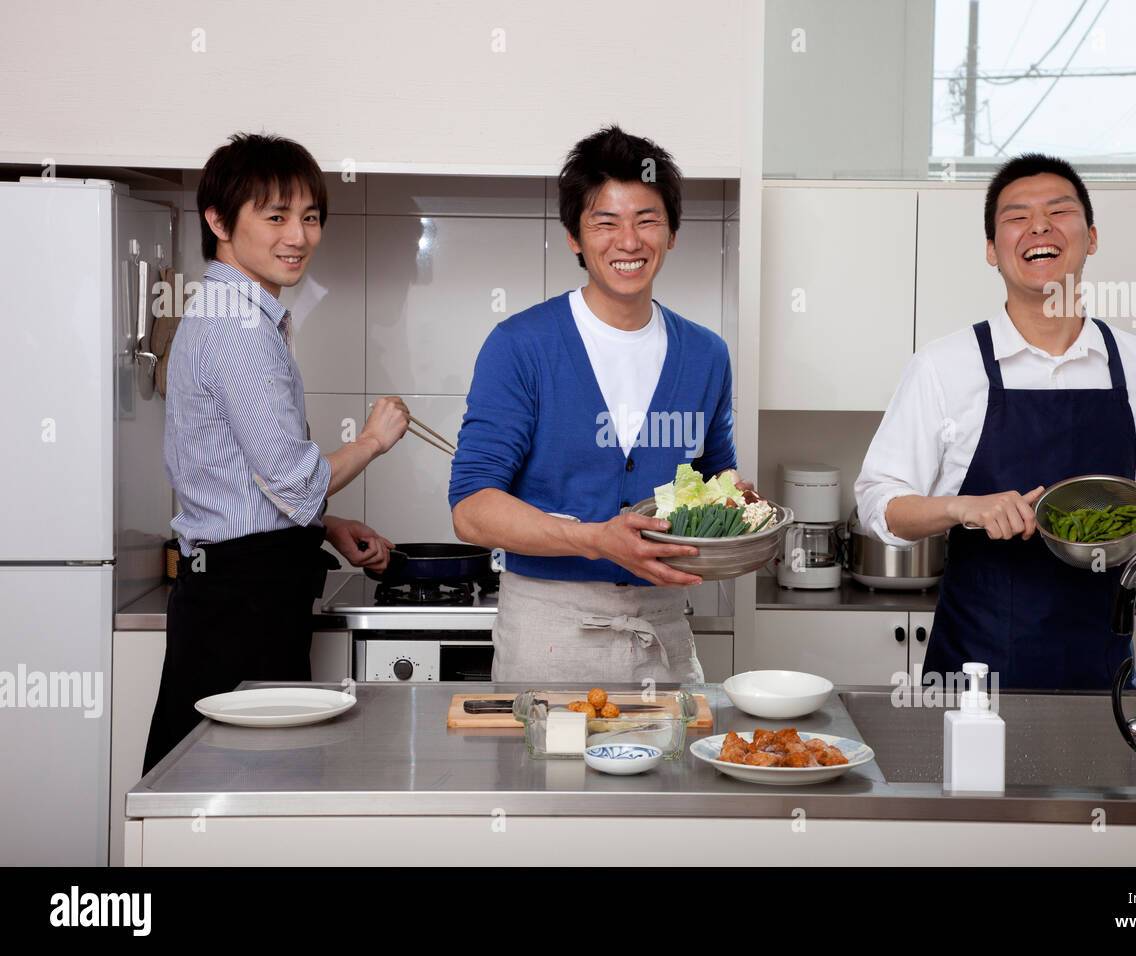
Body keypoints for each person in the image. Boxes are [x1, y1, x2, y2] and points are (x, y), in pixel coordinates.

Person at [855, 153, 1136, 691]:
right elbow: (880, 504)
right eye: (1017, 217)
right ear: (992, 251)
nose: (1039, 226)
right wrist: (964, 508)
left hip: (1102, 673)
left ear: (1091, 237)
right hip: (971, 675)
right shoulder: (944, 366)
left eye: (1058, 212)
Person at [143, 133, 410, 772]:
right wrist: (373, 439)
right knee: (240, 786)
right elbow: (293, 480)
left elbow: (250, 481)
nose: (298, 236)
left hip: (238, 590)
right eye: (276, 217)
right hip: (241, 605)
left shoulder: (235, 313)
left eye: (310, 218)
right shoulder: (238, 327)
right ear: (218, 221)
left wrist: (324, 525)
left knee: (228, 784)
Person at [449, 125, 744, 683]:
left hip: (664, 632)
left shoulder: (706, 354)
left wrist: (733, 503)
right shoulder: (521, 346)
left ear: (672, 233)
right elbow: (471, 508)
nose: (628, 241)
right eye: (605, 222)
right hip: (548, 634)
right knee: (546, 746)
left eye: (647, 220)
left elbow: (711, 482)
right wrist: (593, 540)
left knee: (677, 746)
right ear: (574, 238)